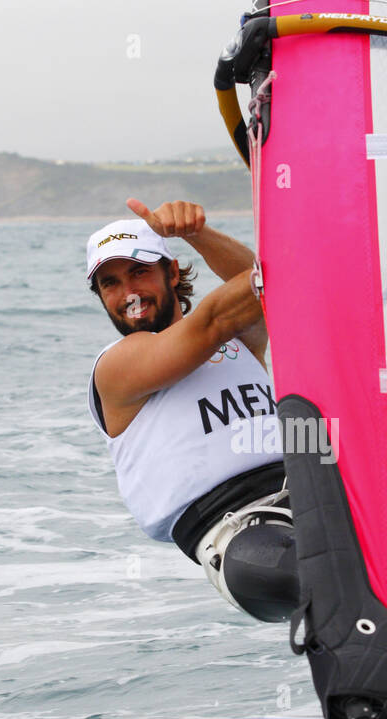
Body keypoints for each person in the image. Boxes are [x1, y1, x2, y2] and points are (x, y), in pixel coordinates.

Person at [86, 199, 298, 621]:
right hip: (236, 533)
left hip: (311, 490)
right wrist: (308, 239)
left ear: (173, 271)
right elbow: (217, 317)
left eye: (139, 272)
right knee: (293, 575)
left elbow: (266, 284)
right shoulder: (116, 367)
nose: (128, 293)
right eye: (110, 283)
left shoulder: (239, 342)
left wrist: (196, 233)